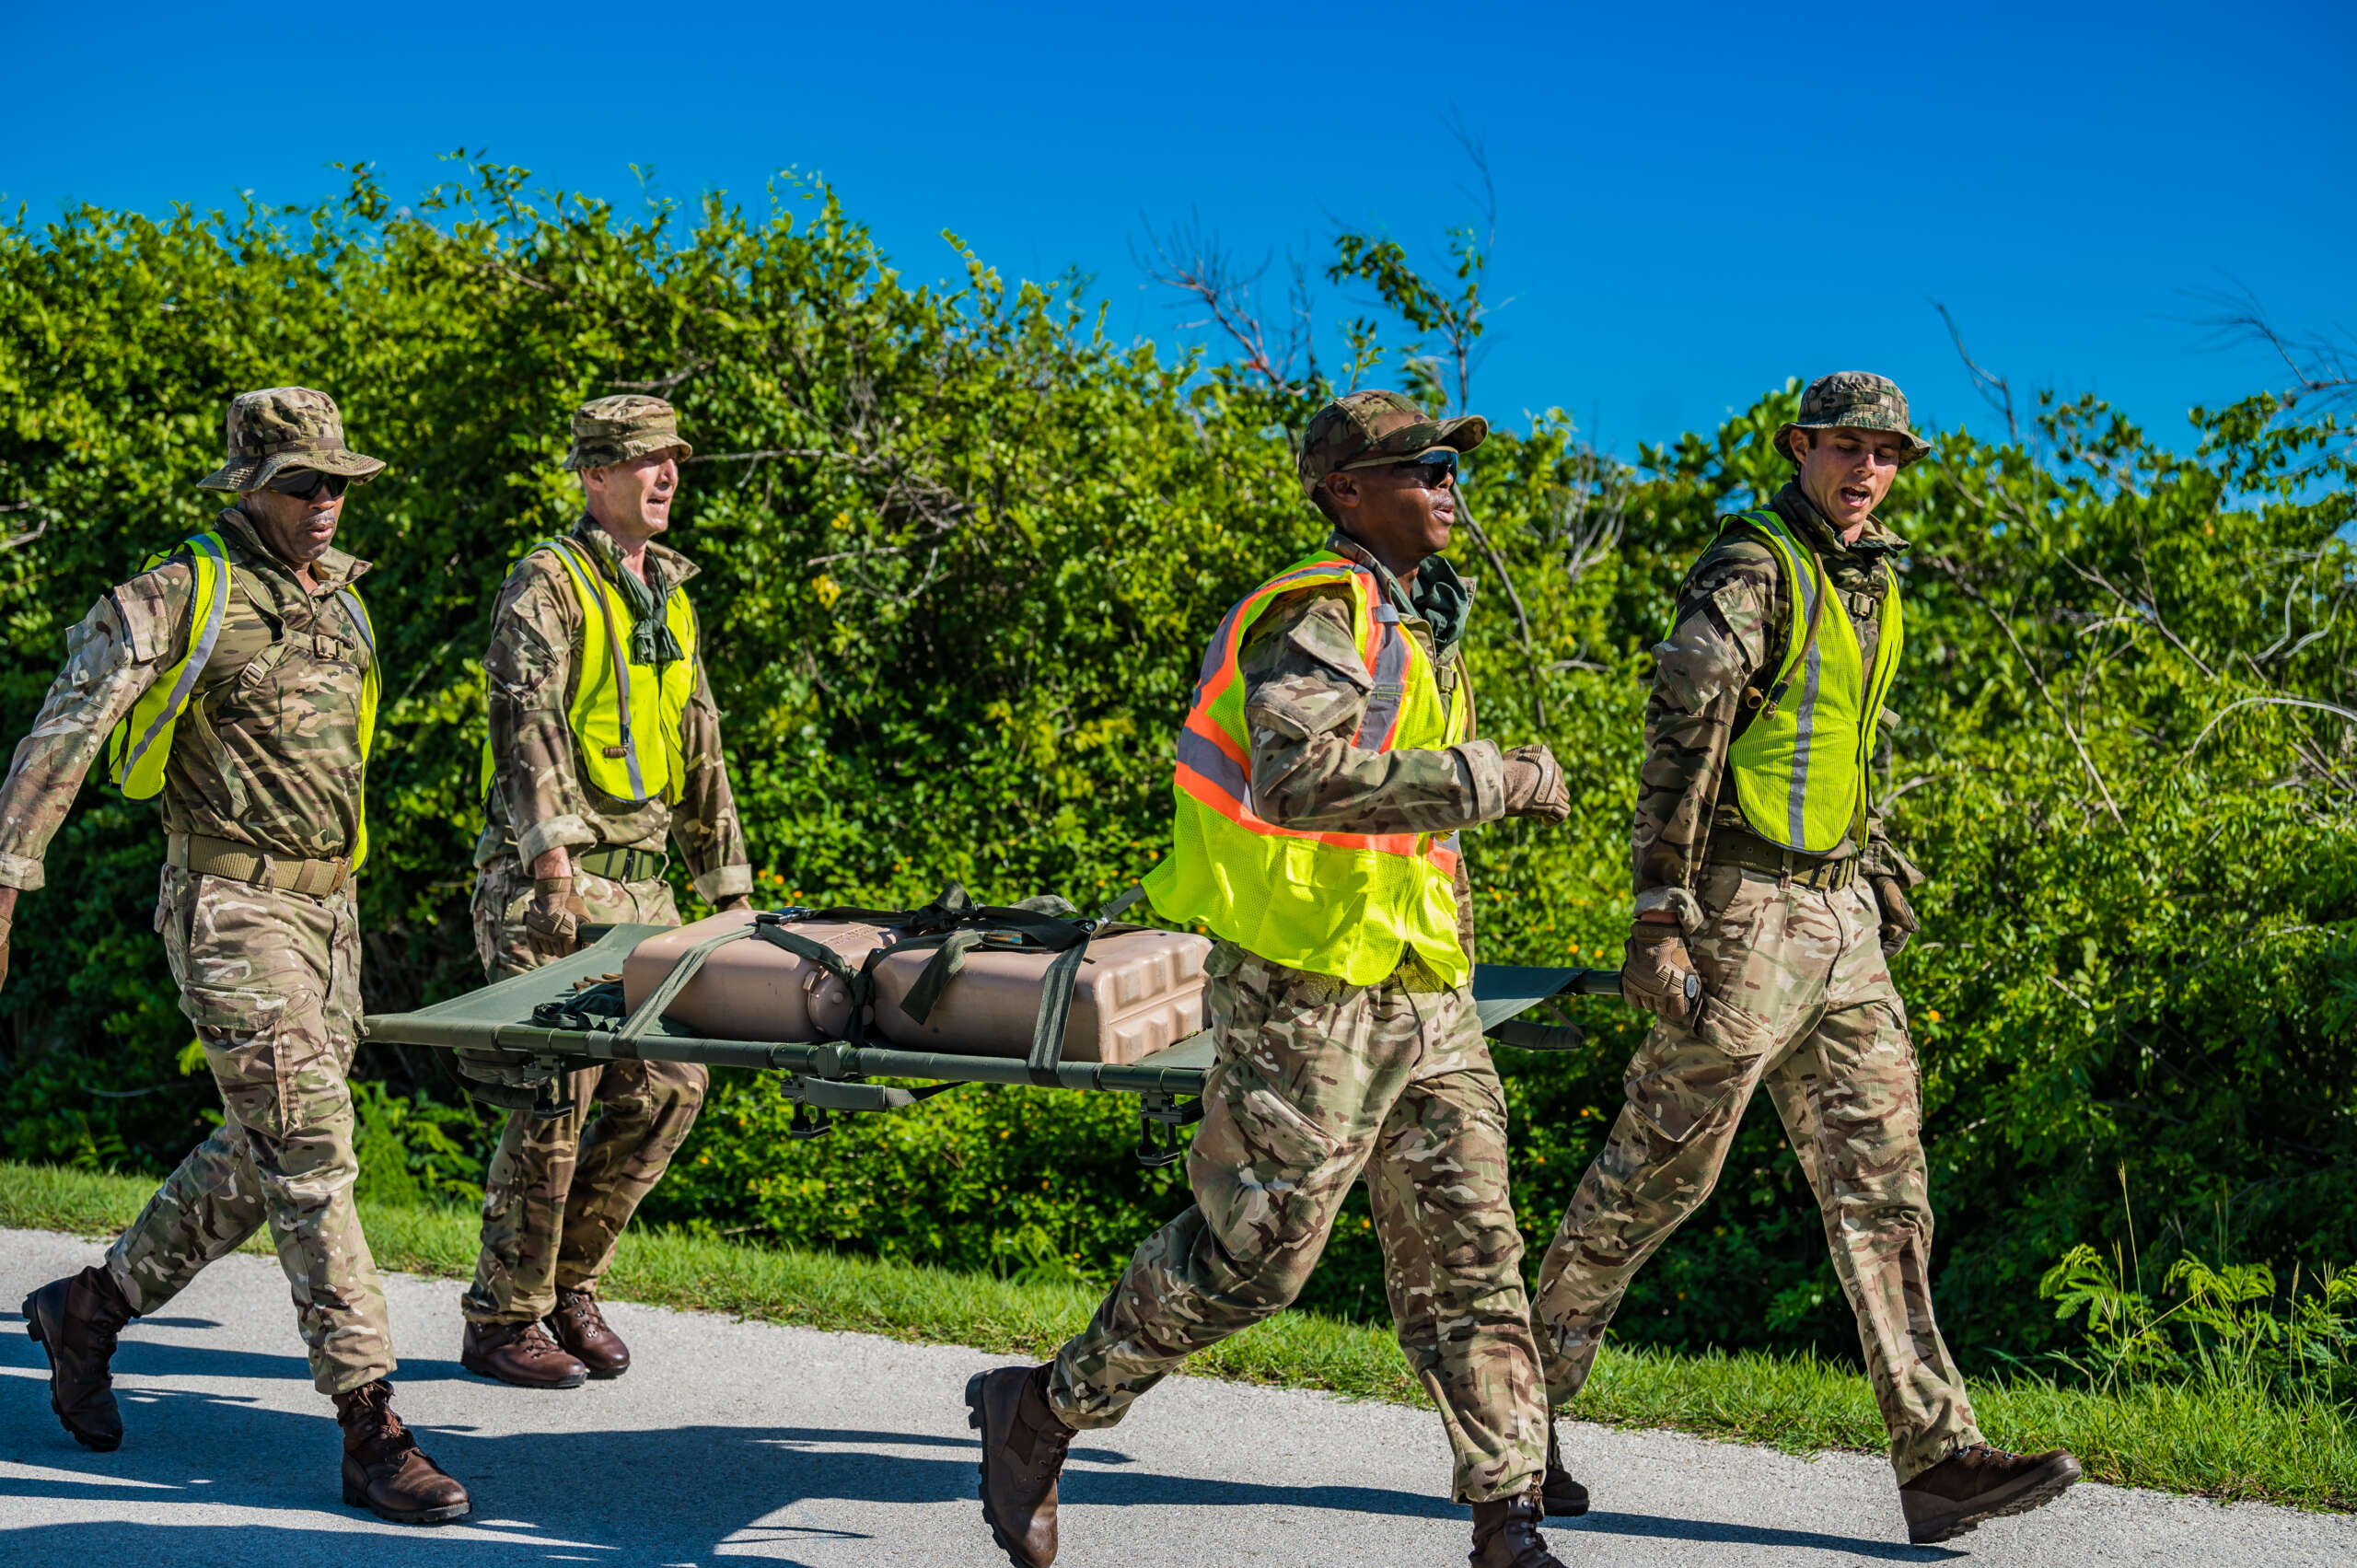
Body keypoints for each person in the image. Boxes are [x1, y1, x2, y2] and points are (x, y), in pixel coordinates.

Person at [966, 389, 1576, 1568]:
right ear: (1345, 489)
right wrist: (1487, 776)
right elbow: (1298, 780)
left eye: (1451, 464)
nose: (1449, 482)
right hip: (1306, 993)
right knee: (1254, 1258)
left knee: (1473, 1249)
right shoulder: (1315, 610)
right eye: (1421, 466)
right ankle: (1040, 1411)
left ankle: (1509, 1519)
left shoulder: (1413, 619)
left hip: (1420, 986)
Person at [1528, 372, 2081, 1545]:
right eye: (1845, 446)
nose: (1865, 469)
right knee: (1654, 1174)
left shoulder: (1876, 579)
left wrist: (1873, 858)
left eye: (1884, 452)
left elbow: (1834, 739)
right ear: (1800, 448)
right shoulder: (1753, 564)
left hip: (1840, 925)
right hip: (1739, 912)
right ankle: (1511, 1419)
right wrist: (1657, 916)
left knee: (1886, 1187)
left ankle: (1936, 1457)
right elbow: (1685, 737)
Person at [7, 388, 470, 1525]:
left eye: (338, 484)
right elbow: (65, 730)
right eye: (303, 484)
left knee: (268, 1153)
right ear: (250, 486)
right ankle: (372, 1424)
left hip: (330, 917)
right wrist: (8, 874)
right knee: (312, 1144)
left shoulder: (345, 606)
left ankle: (93, 1305)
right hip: (227, 905)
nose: (326, 504)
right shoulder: (181, 596)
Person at [459, 394, 753, 1389]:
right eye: (642, 461)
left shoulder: (670, 590)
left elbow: (700, 744)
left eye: (672, 458)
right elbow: (525, 722)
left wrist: (730, 893)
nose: (665, 476)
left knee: (672, 1085)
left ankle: (569, 1283)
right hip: (552, 887)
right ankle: (502, 1317)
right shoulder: (547, 583)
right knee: (557, 1095)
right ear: (592, 473)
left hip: (648, 891)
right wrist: (549, 868)